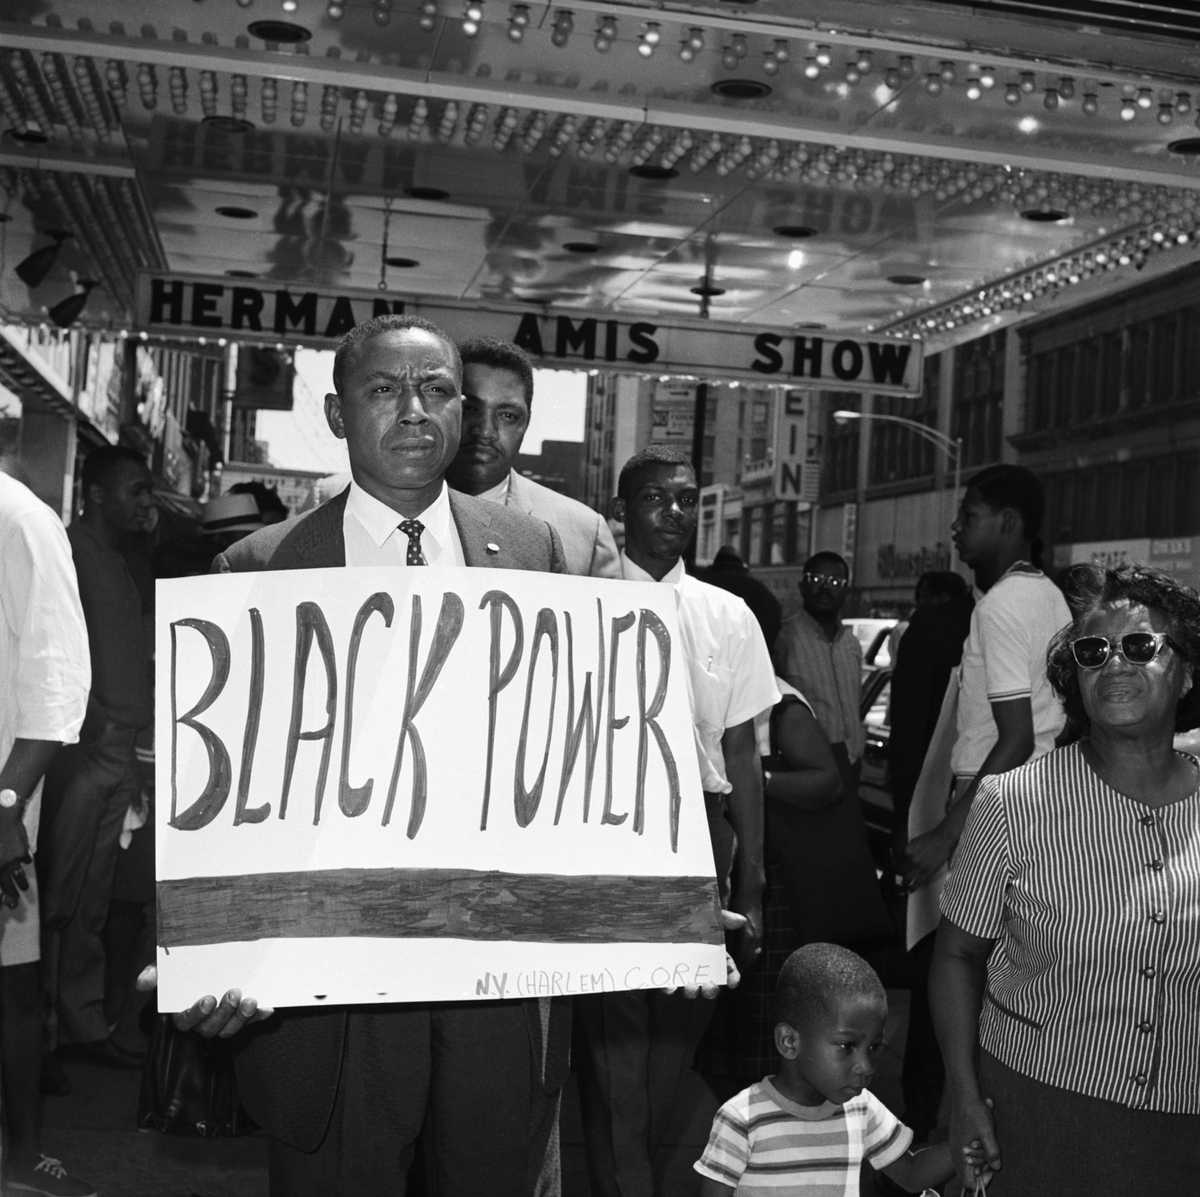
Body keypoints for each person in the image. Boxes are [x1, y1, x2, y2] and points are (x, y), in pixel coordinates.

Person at [168, 315, 569, 1197]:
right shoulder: (256, 571)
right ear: (336, 411)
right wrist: (205, 944)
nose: (414, 411)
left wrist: (664, 908)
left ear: (460, 410)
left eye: (435, 390)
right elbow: (224, 791)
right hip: (331, 986)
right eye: (384, 391)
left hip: (490, 970)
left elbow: (568, 753)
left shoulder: (534, 552)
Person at [932, 563, 1200, 1194]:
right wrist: (964, 1098)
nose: (1114, 663)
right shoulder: (1009, 801)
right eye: (1092, 651)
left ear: (1187, 673)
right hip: (1039, 1113)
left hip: (1184, 1131)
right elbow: (956, 957)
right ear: (1074, 679)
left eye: (1140, 646)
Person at [574, 445, 779, 1197]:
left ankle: (636, 1177)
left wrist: (752, 884)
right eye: (658, 499)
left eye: (688, 499)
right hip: (609, 833)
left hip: (702, 833)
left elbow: (743, 754)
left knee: (673, 1046)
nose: (676, 514)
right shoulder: (579, 602)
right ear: (621, 511)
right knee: (615, 1049)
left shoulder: (729, 615)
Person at [900, 465, 1069, 1144]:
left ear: (1008, 521)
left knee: (958, 968)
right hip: (1037, 802)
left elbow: (1016, 735)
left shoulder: (999, 606)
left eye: (969, 514)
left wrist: (946, 830)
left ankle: (953, 1132)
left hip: (996, 805)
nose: (956, 527)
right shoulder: (1049, 596)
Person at [40, 446, 155, 1071]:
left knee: (90, 900)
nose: (146, 502)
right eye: (135, 490)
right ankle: (43, 1034)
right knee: (56, 901)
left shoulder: (117, 560)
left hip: (119, 755)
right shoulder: (69, 551)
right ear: (96, 491)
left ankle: (79, 1025)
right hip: (83, 754)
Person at [695, 942, 979, 1195]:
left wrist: (966, 1148)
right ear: (790, 1042)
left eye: (873, 1048)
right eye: (847, 1045)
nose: (866, 1067)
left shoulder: (861, 1107)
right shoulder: (742, 1120)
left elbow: (912, 1174)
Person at [0, 460, 96, 1197]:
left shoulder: (22, 520)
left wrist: (6, 806)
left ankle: (24, 1155)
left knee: (11, 985)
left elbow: (57, 677)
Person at [446, 335, 619, 578]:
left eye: (507, 415)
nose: (485, 431)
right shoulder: (390, 509)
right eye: (470, 409)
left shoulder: (585, 534)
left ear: (526, 423)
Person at [773, 552, 864, 796]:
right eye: (816, 580)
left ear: (846, 591)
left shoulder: (852, 644)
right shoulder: (783, 639)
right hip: (807, 769)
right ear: (802, 585)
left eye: (835, 583)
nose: (825, 588)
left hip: (852, 763)